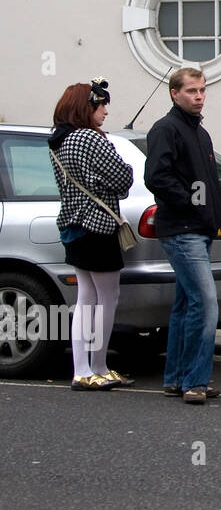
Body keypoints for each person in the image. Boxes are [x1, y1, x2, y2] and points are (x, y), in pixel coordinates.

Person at [48, 77, 135, 391]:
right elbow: (122, 179)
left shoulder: (58, 140)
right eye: (101, 105)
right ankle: (98, 366)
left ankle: (81, 370)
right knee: (107, 299)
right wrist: (124, 169)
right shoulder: (91, 139)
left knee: (85, 299)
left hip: (72, 226)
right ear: (86, 107)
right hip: (98, 226)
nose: (106, 112)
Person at [145, 67, 221, 404]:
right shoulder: (166, 129)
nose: (199, 96)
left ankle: (176, 378)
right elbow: (156, 176)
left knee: (184, 305)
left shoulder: (199, 132)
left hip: (198, 229)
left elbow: (207, 180)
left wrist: (212, 211)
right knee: (206, 305)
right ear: (174, 93)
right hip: (182, 230)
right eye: (192, 91)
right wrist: (191, 205)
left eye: (202, 90)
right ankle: (196, 380)